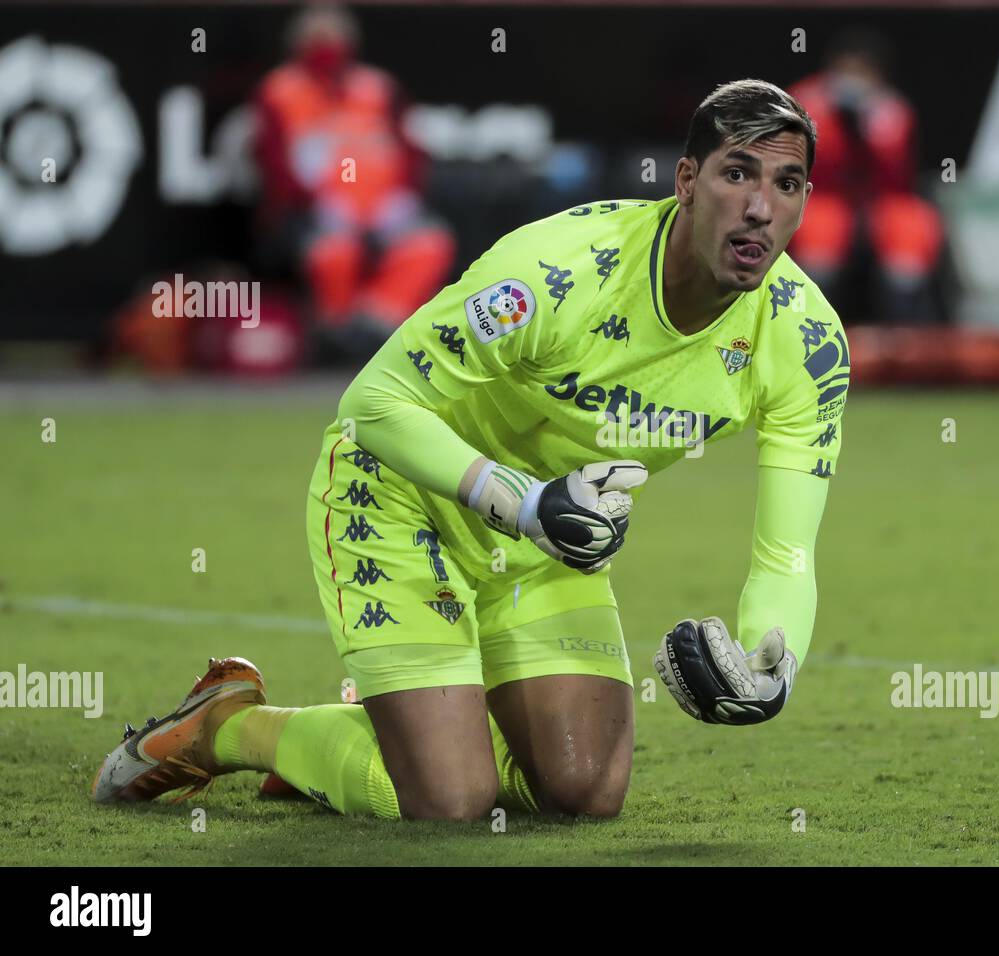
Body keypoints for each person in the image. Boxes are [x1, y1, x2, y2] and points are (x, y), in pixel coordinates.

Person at [92, 79, 849, 821]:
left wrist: (765, 666)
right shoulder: (559, 274)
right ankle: (230, 726)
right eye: (737, 173)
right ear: (686, 181)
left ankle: (391, 732)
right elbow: (373, 404)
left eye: (788, 183)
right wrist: (519, 501)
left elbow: (788, 557)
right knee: (450, 799)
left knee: (585, 791)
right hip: (401, 495)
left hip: (550, 537)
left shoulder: (806, 342)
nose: (760, 207)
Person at [252, 4, 456, 360]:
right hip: (315, 215)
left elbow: (410, 151)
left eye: (333, 36)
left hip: (383, 212)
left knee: (429, 243)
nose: (326, 46)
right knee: (334, 252)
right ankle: (337, 337)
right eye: (316, 37)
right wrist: (312, 202)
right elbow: (271, 164)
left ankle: (375, 328)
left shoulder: (377, 88)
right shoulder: (280, 90)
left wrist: (402, 197)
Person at [788, 29, 944, 322]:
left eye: (862, 71)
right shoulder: (804, 102)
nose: (853, 79)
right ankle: (810, 324)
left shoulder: (891, 111)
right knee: (820, 227)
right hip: (823, 196)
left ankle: (904, 335)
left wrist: (865, 126)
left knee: (911, 223)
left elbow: (896, 172)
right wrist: (836, 121)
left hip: (880, 200)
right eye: (847, 69)